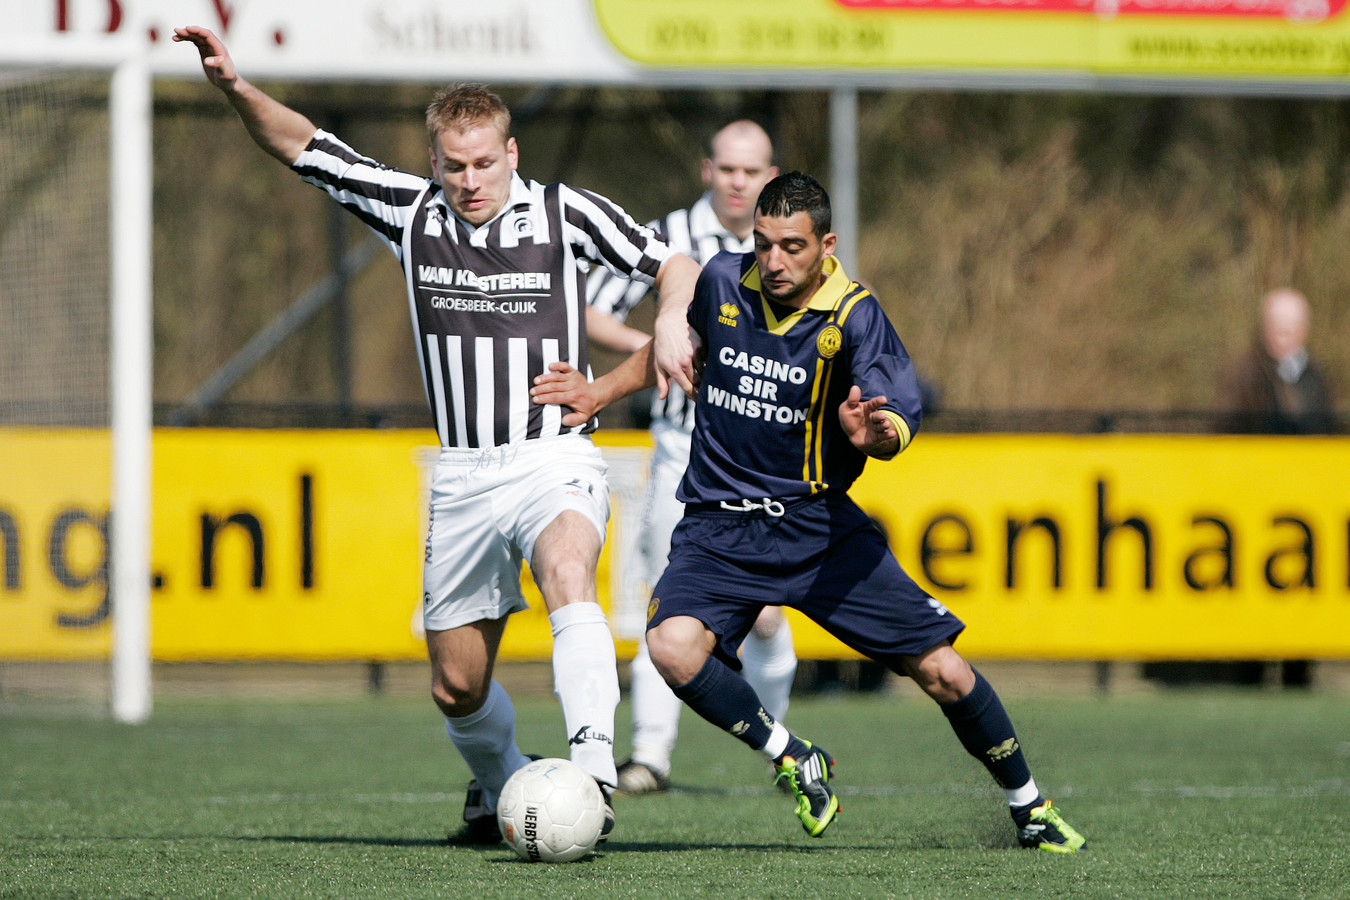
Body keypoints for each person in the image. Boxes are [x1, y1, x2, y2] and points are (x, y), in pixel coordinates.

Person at [174, 26, 701, 844]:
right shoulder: (411, 214)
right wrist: (234, 88)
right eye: (453, 166)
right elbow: (305, 147)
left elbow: (677, 266)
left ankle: (593, 776)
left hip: (550, 455)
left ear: (511, 152)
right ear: (433, 163)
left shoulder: (567, 214)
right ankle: (508, 789)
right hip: (460, 479)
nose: (469, 180)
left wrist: (665, 322)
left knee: (569, 570)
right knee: (456, 688)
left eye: (484, 162)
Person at [532, 172, 1087, 851]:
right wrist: (596, 394)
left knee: (943, 670)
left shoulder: (854, 314)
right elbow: (670, 348)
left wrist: (876, 435)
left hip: (816, 529)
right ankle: (792, 755)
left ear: (825, 244)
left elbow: (892, 404)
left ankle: (1030, 806)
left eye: (791, 247)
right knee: (671, 647)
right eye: (763, 244)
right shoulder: (720, 283)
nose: (774, 262)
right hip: (717, 524)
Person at [584, 120, 798, 795]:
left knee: (766, 610)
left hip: (766, 455)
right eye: (727, 170)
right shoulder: (670, 234)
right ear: (708, 170)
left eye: (752, 171)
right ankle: (650, 756)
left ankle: (777, 747)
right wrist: (662, 349)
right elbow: (594, 312)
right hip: (684, 446)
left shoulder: (790, 247)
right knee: (667, 596)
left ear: (770, 175)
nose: (739, 183)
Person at [1218, 287, 1334, 436]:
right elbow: (1228, 428)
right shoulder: (1243, 373)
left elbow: (1328, 426)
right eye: (1278, 324)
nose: (1285, 332)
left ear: (1305, 328)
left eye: (1293, 325)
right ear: (1265, 327)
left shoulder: (1317, 375)